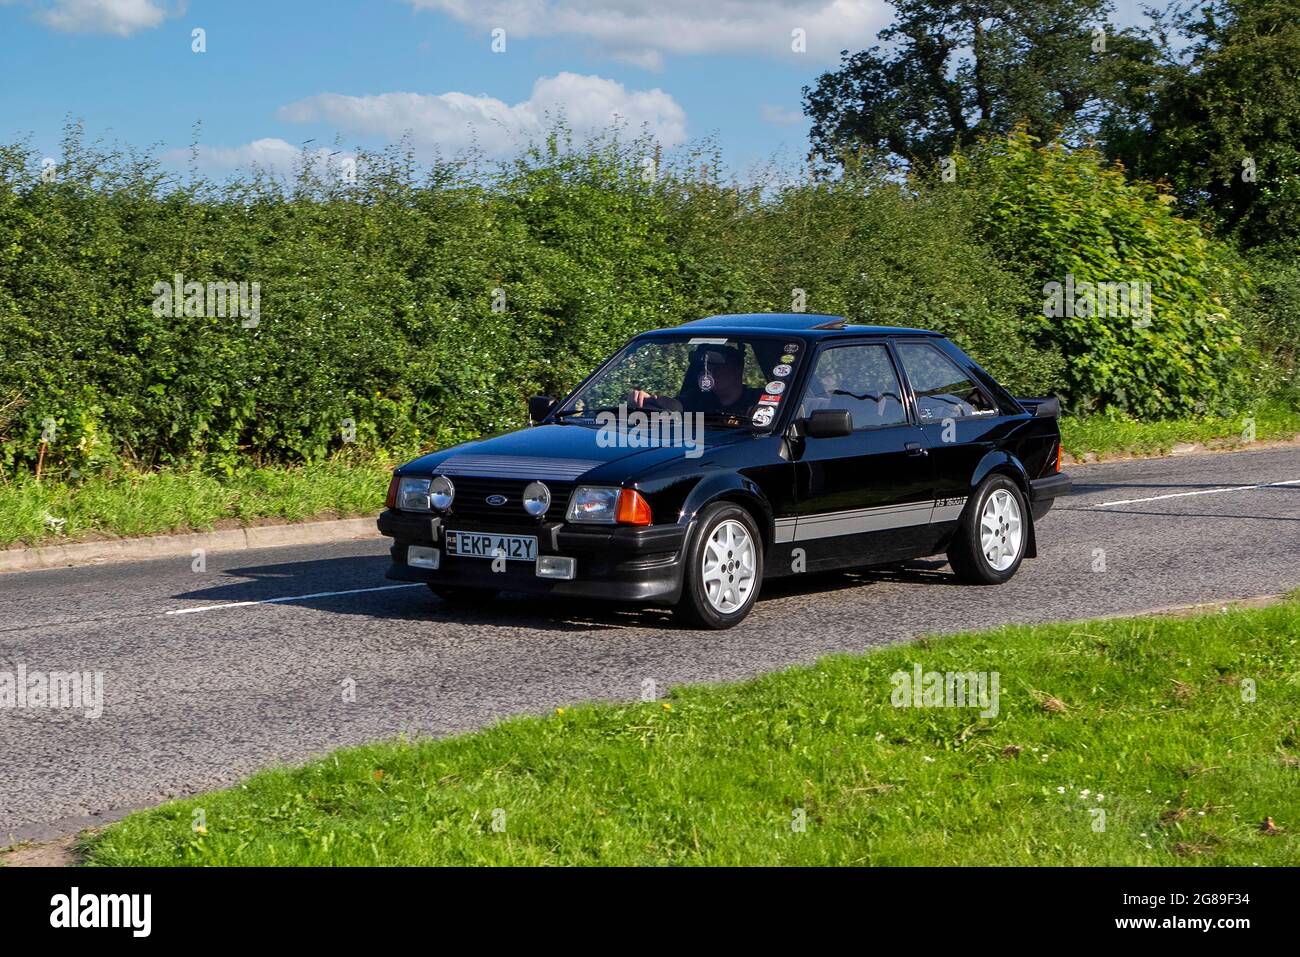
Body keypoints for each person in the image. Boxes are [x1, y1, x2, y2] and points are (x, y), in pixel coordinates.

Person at [628, 345, 762, 417]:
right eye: (706, 365)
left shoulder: (760, 400)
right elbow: (677, 405)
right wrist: (649, 400)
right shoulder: (697, 398)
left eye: (717, 364)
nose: (708, 371)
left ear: (737, 369)